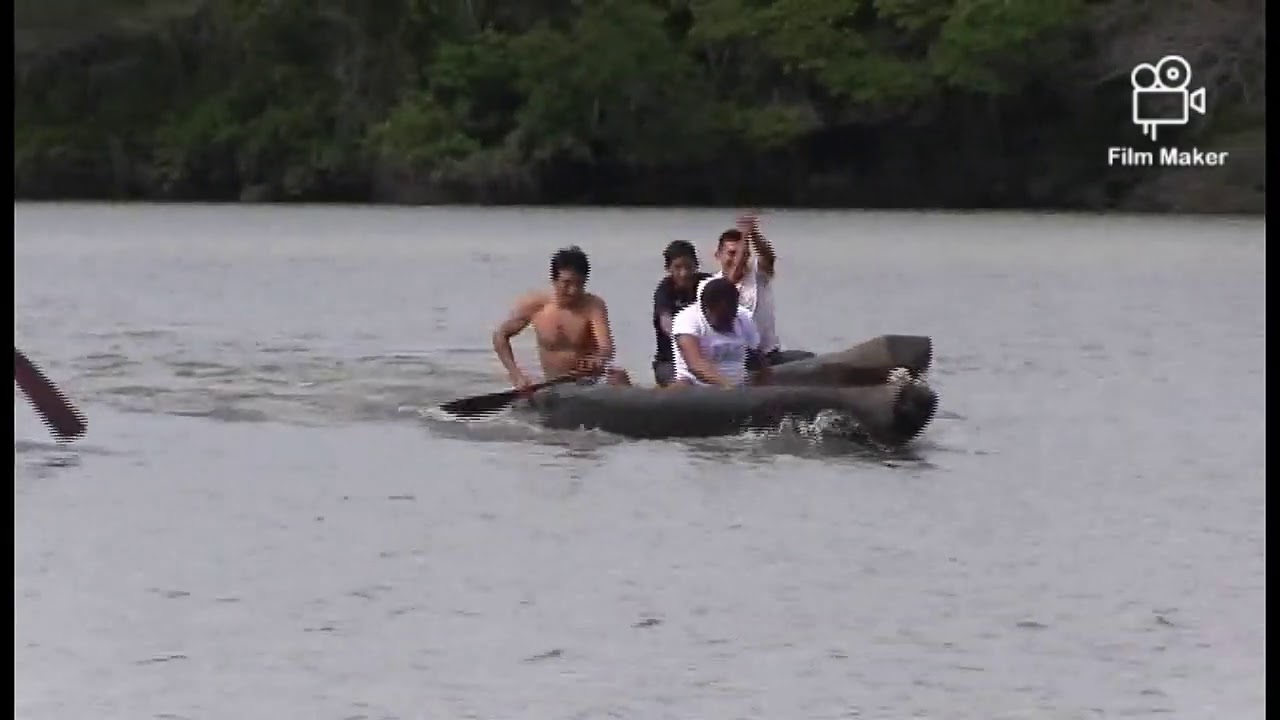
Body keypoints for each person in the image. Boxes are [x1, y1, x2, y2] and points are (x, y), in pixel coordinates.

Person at [492, 246, 631, 391]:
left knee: (619, 376)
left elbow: (606, 347)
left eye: (579, 284)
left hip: (589, 382)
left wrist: (598, 358)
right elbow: (500, 336)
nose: (573, 291)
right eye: (567, 283)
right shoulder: (536, 305)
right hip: (555, 385)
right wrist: (516, 375)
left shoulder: (593, 305)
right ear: (554, 280)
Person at [698, 213, 814, 366]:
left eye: (744, 253)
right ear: (718, 255)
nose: (738, 258)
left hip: (768, 353)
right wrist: (744, 238)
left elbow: (768, 256)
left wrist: (754, 233)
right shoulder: (709, 286)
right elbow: (729, 284)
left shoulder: (758, 273)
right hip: (734, 356)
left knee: (811, 360)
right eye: (732, 253)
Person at [671, 277, 773, 388]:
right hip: (695, 385)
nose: (728, 322)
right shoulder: (687, 320)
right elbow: (695, 364)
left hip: (737, 385)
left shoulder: (744, 318)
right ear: (706, 310)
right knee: (682, 384)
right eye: (722, 317)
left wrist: (764, 382)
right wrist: (726, 385)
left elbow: (757, 356)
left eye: (731, 315)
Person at [651, 240, 712, 386]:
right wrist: (688, 338)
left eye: (688, 267)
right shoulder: (665, 290)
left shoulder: (708, 284)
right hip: (670, 361)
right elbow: (666, 323)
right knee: (685, 384)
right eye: (677, 267)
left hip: (708, 357)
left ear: (696, 265)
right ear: (668, 268)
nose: (684, 273)